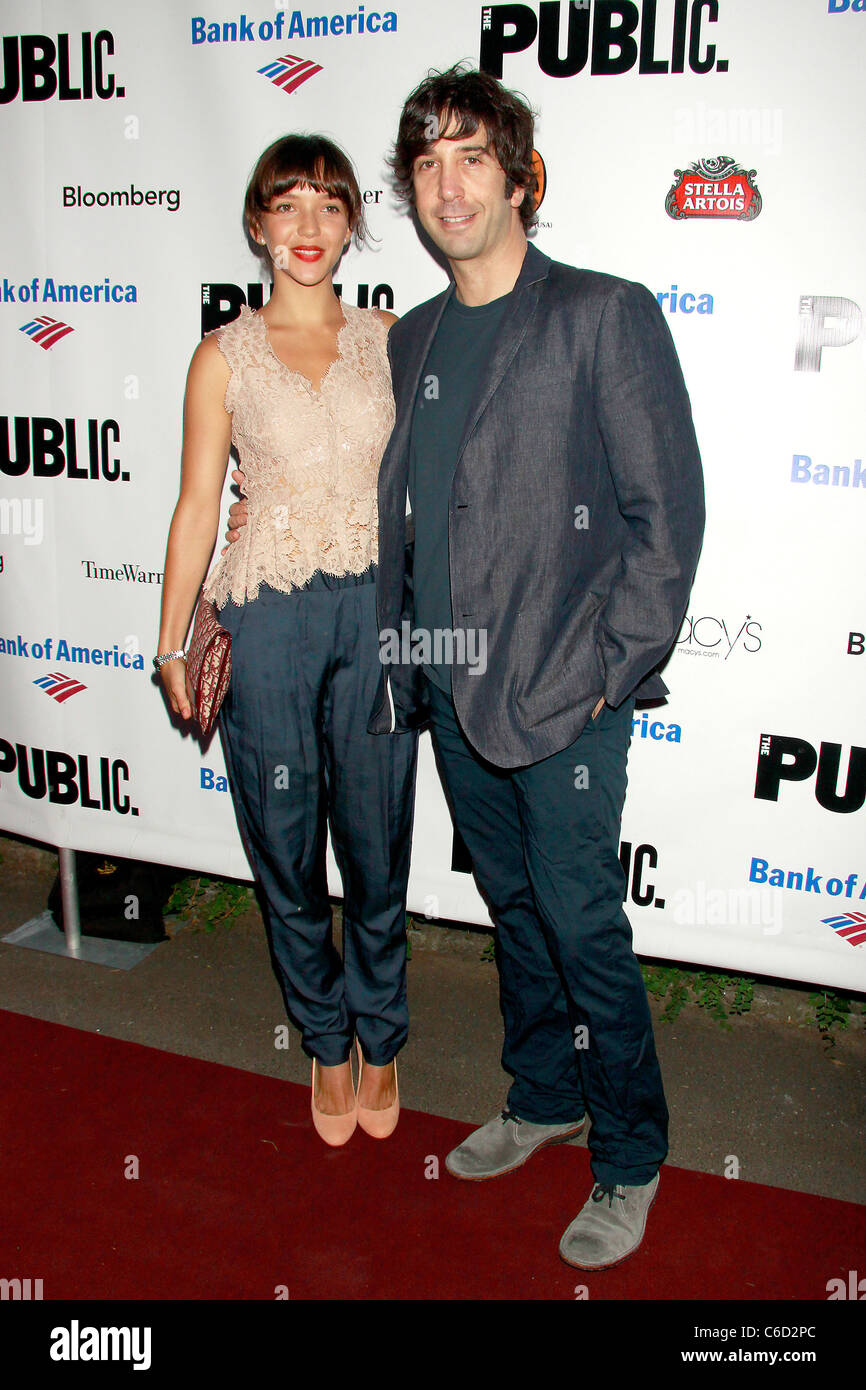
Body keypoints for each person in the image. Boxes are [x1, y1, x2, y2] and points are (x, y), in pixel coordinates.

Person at [228, 67, 705, 1270]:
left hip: (566, 696)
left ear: (517, 177)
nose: (448, 184)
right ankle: (543, 1094)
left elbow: (666, 518)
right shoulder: (414, 335)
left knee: (581, 923)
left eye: (472, 158)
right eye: (427, 163)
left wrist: (603, 675)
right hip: (449, 692)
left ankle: (629, 1152)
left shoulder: (602, 311)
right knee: (517, 917)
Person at [156, 134, 418, 1148]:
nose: (307, 228)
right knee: (282, 844)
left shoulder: (394, 339)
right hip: (263, 613)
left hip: (375, 614)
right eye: (287, 206)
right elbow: (192, 507)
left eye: (327, 205)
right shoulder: (221, 353)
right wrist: (171, 641)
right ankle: (321, 1033)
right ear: (258, 225)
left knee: (379, 836)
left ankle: (382, 1031)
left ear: (351, 223)